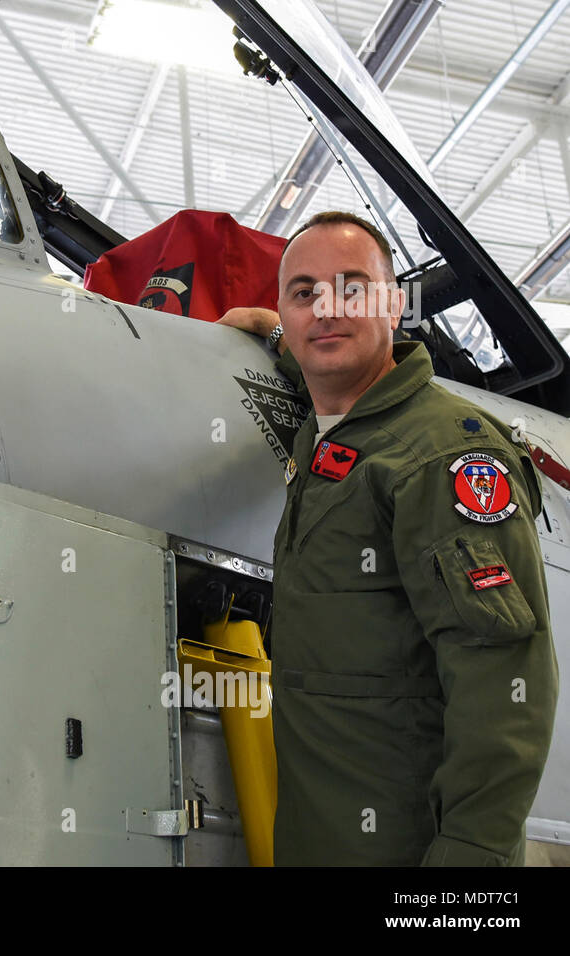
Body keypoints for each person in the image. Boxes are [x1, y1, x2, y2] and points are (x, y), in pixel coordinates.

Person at [218, 210, 558, 865]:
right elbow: (329, 362)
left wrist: (470, 855)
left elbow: (506, 682)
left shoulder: (439, 461)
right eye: (305, 292)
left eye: (353, 288)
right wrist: (273, 336)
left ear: (395, 304)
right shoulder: (343, 423)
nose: (328, 309)